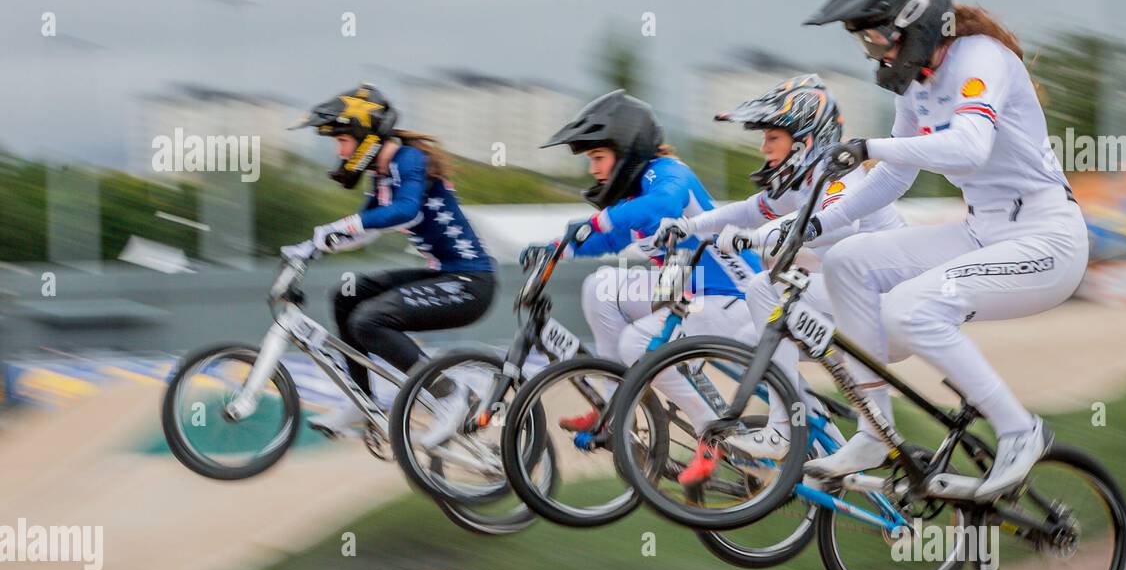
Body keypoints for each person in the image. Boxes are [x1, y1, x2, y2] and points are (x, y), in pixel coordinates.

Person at [789, 0, 1089, 500]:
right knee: (850, 262)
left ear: (917, 22)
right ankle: (875, 429)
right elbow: (891, 177)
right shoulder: (919, 84)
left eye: (876, 36)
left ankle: (1021, 432)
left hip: (1047, 238)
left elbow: (971, 148)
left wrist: (867, 145)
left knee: (910, 307)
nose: (872, 50)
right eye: (863, 40)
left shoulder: (981, 58)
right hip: (983, 230)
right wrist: (811, 227)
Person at [653, 74, 905, 463]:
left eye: (772, 138)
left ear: (804, 140)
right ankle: (811, 420)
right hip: (860, 307)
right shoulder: (802, 180)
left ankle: (784, 428)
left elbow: (840, 221)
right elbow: (746, 211)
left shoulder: (838, 173)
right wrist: (689, 226)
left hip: (888, 309)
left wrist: (753, 238)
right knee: (761, 340)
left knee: (762, 289)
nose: (762, 146)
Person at [521, 90, 760, 480]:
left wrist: (596, 223)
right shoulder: (637, 193)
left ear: (627, 149)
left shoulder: (668, 174)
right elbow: (609, 240)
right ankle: (615, 406)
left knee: (638, 343)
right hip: (692, 295)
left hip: (732, 300)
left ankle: (712, 433)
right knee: (600, 288)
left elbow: (661, 208)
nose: (592, 170)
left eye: (598, 158)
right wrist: (552, 249)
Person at [281, 84, 496, 438]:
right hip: (444, 276)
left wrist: (338, 226)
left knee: (370, 320)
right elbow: (365, 231)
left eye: (342, 140)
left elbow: (405, 211)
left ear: (365, 135)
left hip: (471, 284)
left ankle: (449, 394)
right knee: (347, 294)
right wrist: (309, 247)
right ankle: (362, 400)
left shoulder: (410, 159)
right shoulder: (382, 175)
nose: (339, 149)